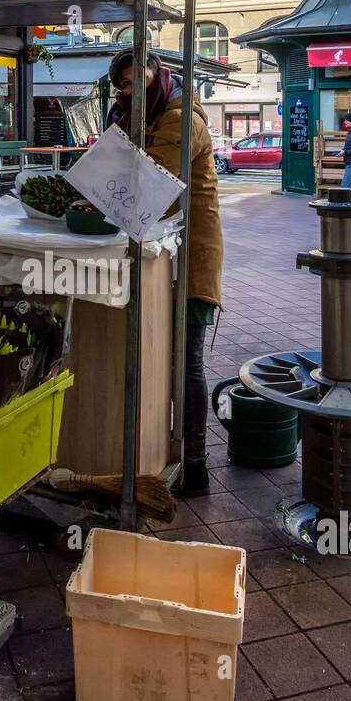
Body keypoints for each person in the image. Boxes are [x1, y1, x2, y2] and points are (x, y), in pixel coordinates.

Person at [107, 49, 223, 496]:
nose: (128, 91)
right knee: (165, 358)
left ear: (158, 76)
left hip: (191, 258)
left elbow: (156, 188)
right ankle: (161, 453)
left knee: (186, 361)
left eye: (136, 82)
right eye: (123, 85)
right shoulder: (143, 115)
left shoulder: (180, 117)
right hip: (159, 255)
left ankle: (195, 464)